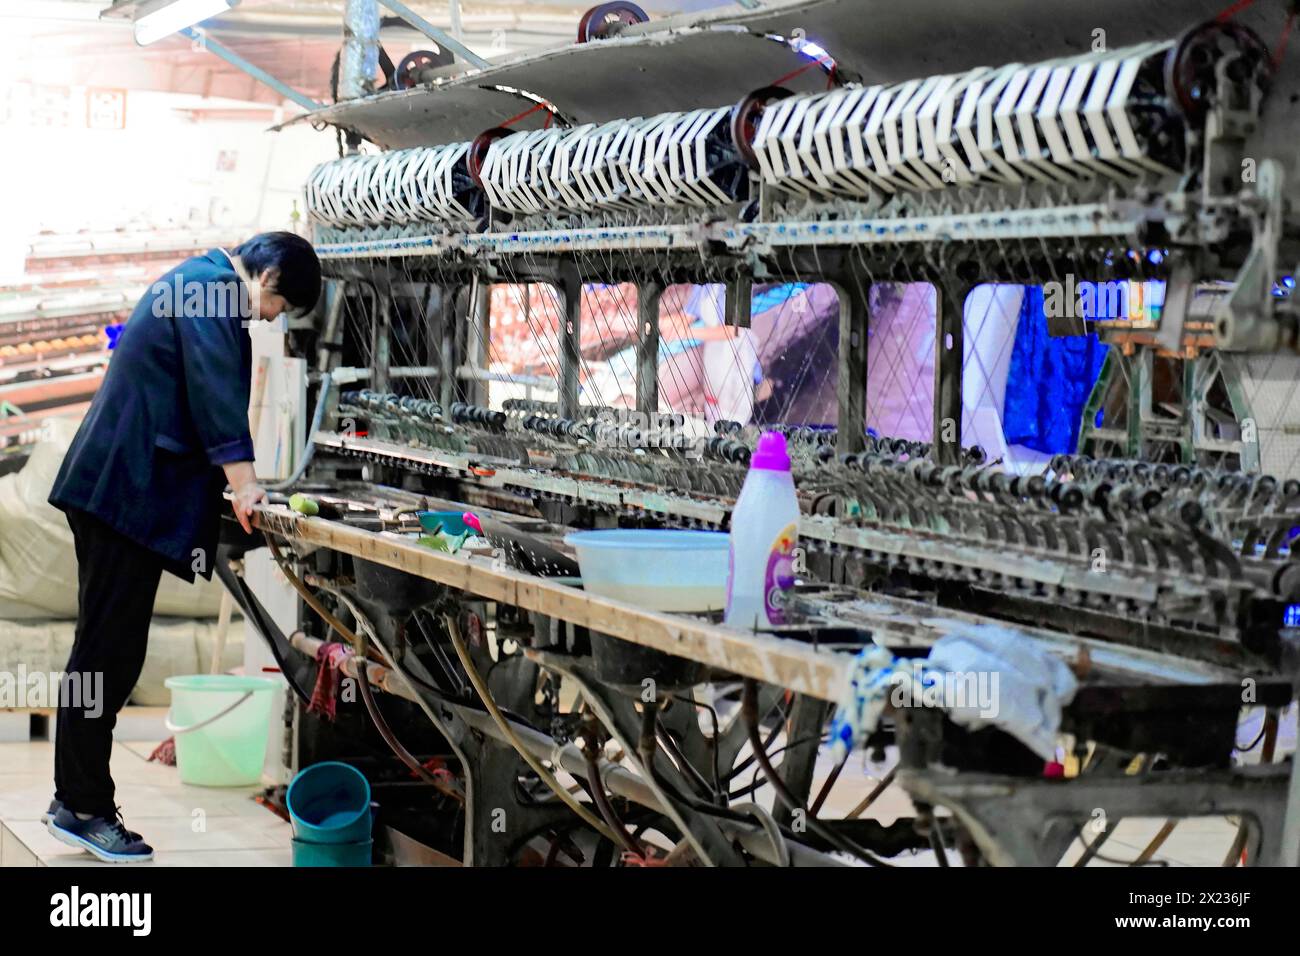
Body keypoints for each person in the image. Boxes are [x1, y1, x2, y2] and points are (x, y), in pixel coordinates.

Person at [44, 232, 321, 862]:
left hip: (119, 492)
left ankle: (76, 799)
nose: (270, 318)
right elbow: (213, 390)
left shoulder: (201, 283)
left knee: (107, 650)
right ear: (270, 273)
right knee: (106, 654)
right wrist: (246, 484)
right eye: (280, 306)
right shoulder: (212, 289)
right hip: (122, 495)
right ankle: (82, 806)